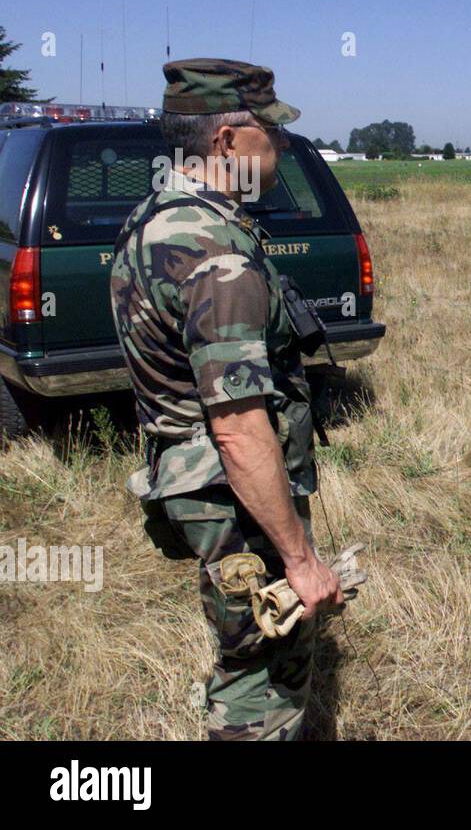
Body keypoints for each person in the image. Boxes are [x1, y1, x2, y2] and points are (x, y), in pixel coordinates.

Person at [110, 58, 342, 739]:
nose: (281, 144)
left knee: (244, 654)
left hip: (191, 480)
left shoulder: (156, 217)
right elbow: (238, 425)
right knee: (265, 670)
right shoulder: (218, 256)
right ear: (228, 142)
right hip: (229, 493)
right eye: (270, 130)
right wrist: (300, 560)